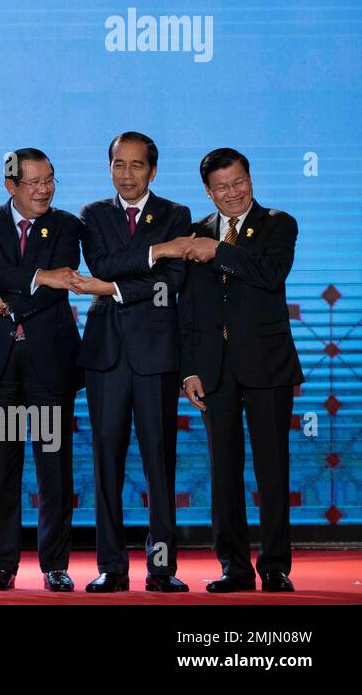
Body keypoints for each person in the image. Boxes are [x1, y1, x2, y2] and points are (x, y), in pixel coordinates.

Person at [157, 147, 302, 592]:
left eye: (239, 182)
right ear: (208, 190)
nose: (233, 193)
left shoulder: (278, 223)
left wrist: (217, 250)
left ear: (250, 179)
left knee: (272, 469)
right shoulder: (194, 232)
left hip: (267, 365)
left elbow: (270, 274)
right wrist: (188, 371)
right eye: (222, 187)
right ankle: (234, 567)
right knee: (224, 470)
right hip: (213, 371)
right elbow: (188, 310)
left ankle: (275, 566)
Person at [75, 133, 190, 593]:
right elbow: (101, 265)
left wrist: (123, 281)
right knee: (107, 463)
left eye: (136, 166)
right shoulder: (93, 214)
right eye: (118, 165)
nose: (127, 174)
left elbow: (173, 280)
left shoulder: (176, 215)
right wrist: (155, 253)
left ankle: (161, 569)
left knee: (159, 463)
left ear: (153, 170)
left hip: (156, 354)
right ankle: (112, 568)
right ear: (109, 168)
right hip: (106, 354)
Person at [0, 147, 83, 592]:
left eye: (49, 179)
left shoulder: (69, 225)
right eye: (33, 182)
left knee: (54, 470)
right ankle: (2, 564)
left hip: (49, 364)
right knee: (1, 470)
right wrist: (35, 278)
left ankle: (55, 564)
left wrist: (4, 302)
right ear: (10, 186)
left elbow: (59, 285)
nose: (44, 189)